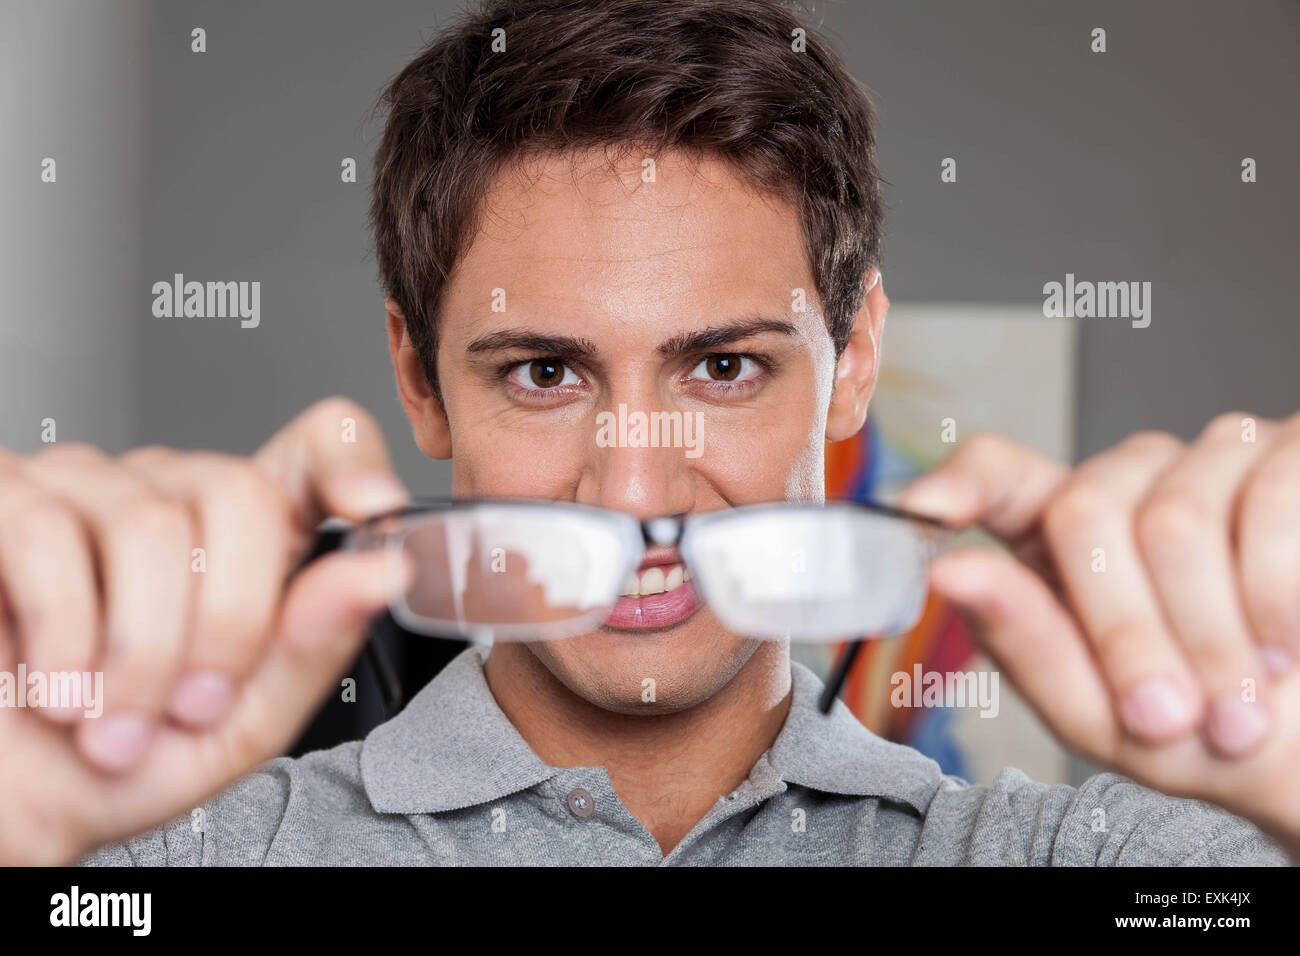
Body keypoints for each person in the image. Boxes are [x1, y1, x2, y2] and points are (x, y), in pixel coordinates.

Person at [2, 0, 1295, 866]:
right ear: (420, 377)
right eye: (547, 371)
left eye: (725, 365)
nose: (630, 492)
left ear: (856, 370)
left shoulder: (1093, 864)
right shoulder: (175, 861)